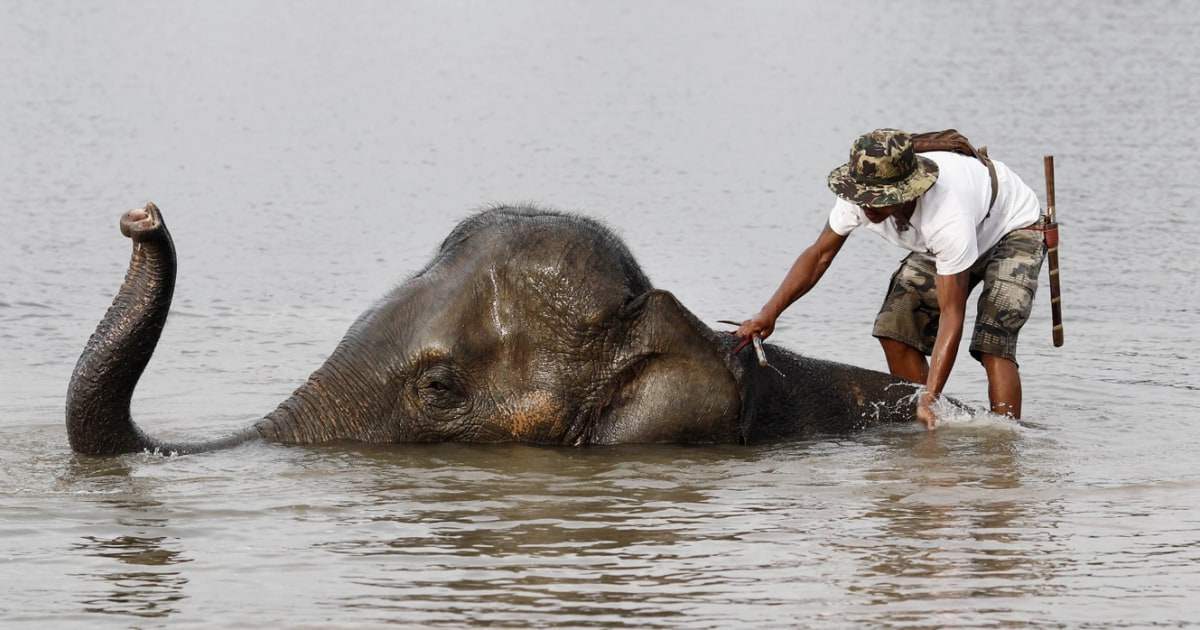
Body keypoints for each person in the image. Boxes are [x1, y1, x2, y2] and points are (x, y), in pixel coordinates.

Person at [735, 128, 1046, 428]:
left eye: (879, 198)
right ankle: (931, 422)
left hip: (1012, 228)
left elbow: (952, 315)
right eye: (862, 196)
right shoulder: (858, 197)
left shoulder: (946, 215)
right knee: (894, 325)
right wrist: (769, 313)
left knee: (992, 337)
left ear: (908, 192)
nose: (867, 205)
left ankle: (1004, 439)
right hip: (954, 237)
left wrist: (931, 394)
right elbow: (819, 255)